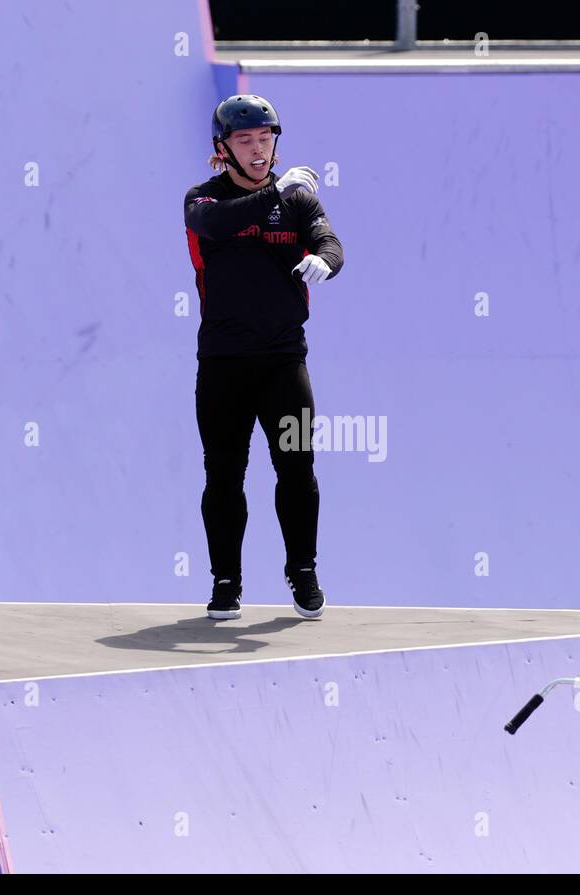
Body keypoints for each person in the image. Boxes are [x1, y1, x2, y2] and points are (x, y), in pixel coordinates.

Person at [183, 94, 344, 621]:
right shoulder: (203, 201)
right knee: (223, 475)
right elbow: (217, 228)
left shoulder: (296, 201)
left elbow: (328, 240)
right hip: (224, 368)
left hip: (283, 366)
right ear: (223, 149)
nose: (258, 149)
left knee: (297, 467)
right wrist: (279, 190)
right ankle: (226, 581)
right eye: (245, 140)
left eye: (266, 138)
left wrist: (323, 257)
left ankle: (303, 570)